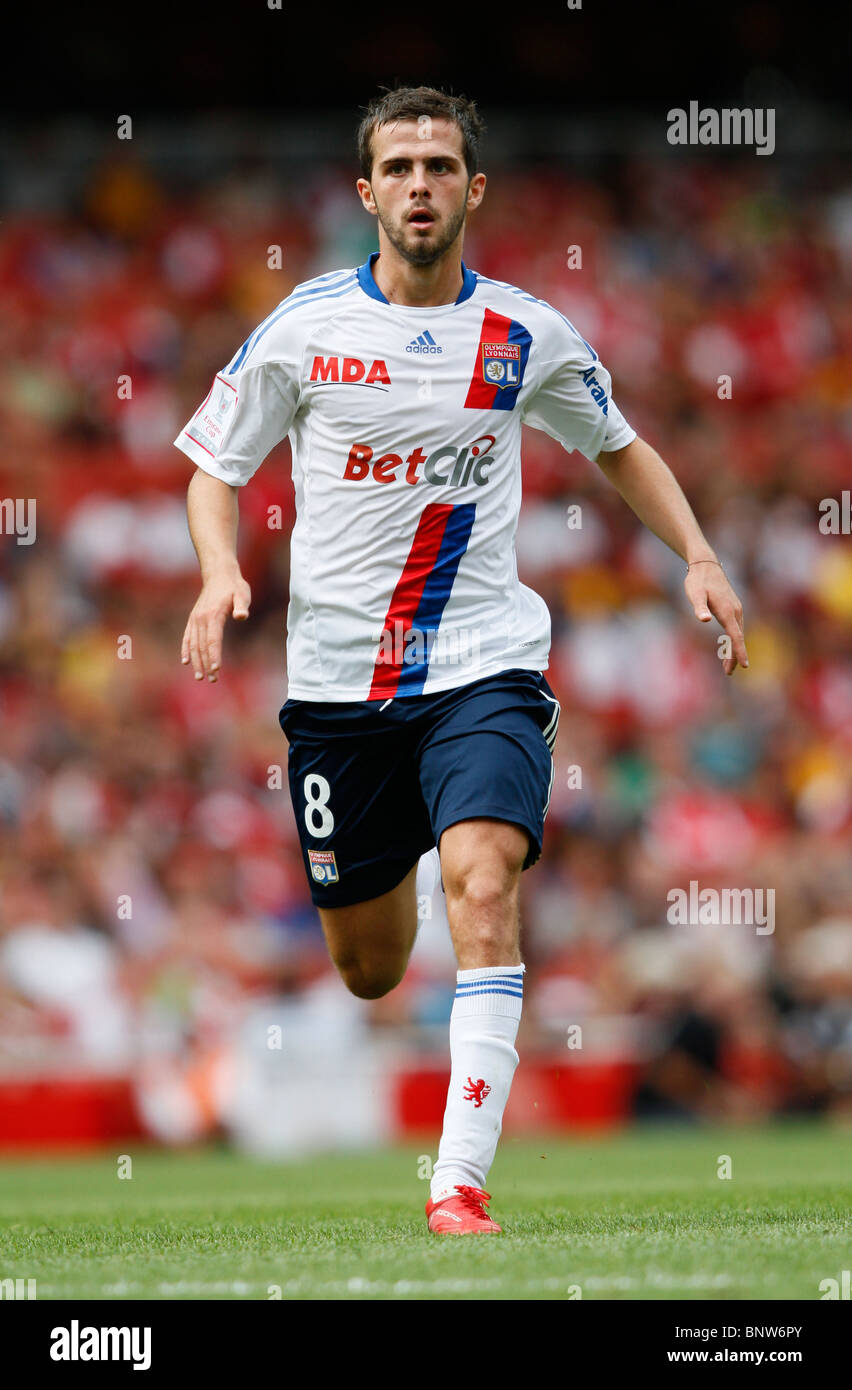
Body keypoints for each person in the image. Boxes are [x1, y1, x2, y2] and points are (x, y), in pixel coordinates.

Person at [175, 85, 748, 1235]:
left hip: (483, 665)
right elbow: (213, 465)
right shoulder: (305, 328)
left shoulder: (527, 333)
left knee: (484, 886)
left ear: (473, 189)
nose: (421, 185)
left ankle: (459, 1185)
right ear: (366, 192)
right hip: (338, 693)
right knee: (371, 969)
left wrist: (695, 553)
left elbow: (622, 447)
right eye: (400, 168)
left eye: (441, 165)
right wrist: (216, 570)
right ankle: (404, 868)